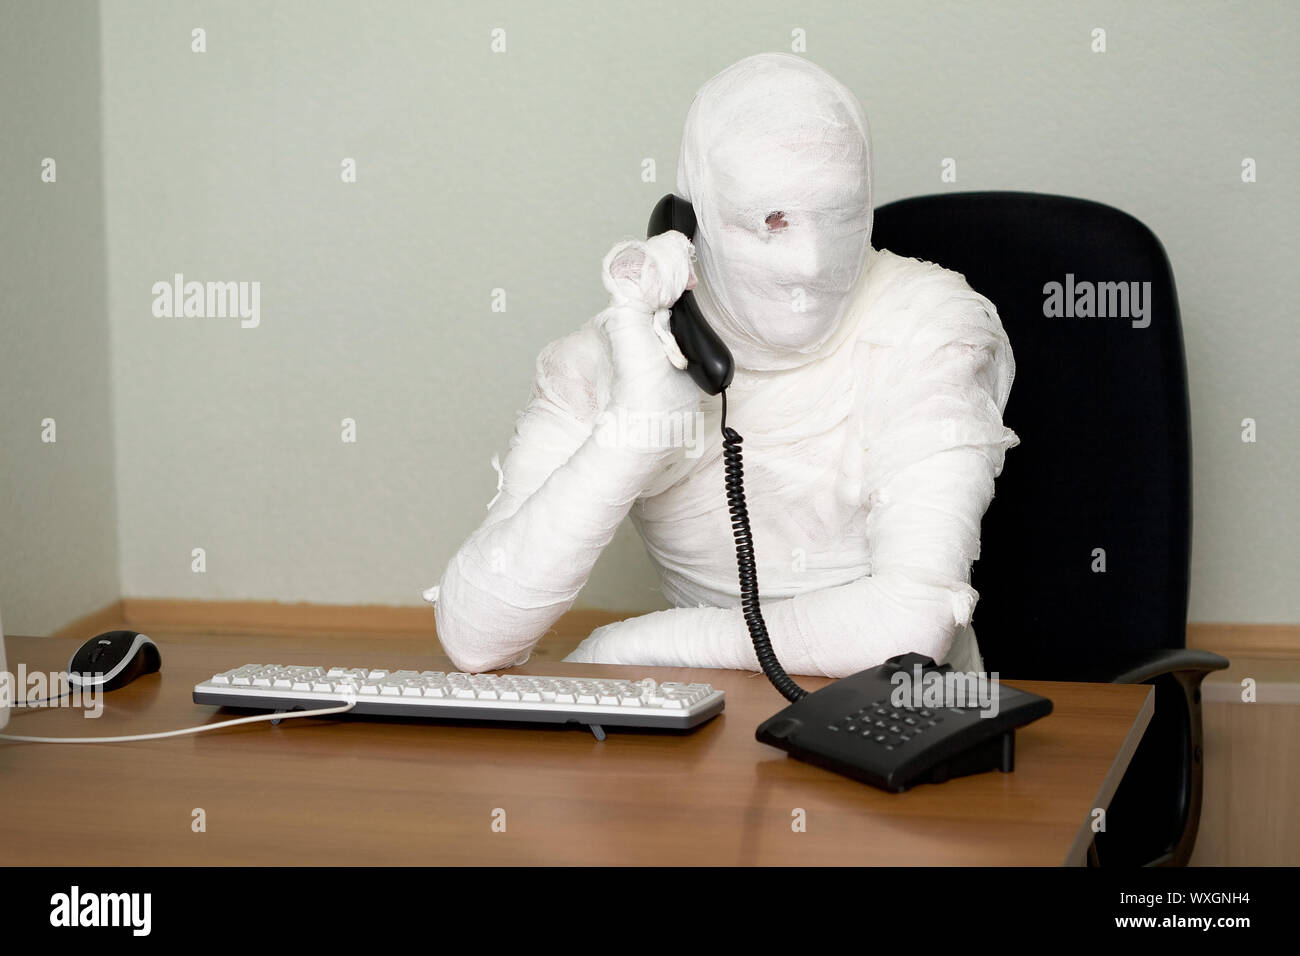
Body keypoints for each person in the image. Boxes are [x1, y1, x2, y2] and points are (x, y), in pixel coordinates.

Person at [426, 52, 1019, 678]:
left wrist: (630, 646)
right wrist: (632, 430)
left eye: (841, 216)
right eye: (771, 221)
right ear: (691, 219)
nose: (811, 264)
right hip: (709, 734)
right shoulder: (605, 360)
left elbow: (909, 626)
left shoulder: (932, 327)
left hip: (904, 724)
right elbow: (476, 636)